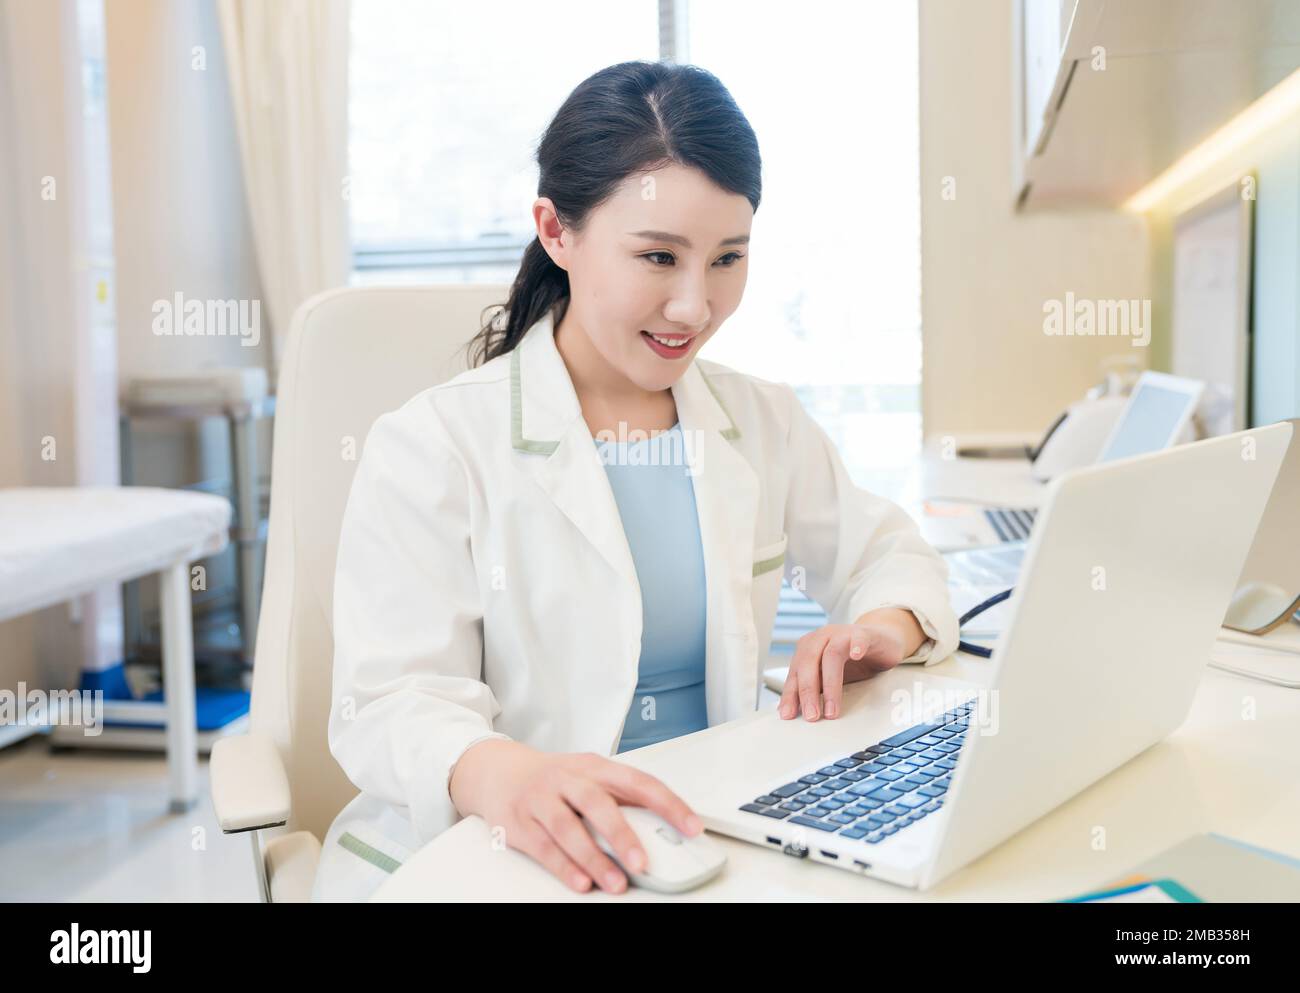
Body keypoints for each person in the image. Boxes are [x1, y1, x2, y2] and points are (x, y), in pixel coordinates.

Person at [311, 60, 958, 902]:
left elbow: (889, 552)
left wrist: (885, 625)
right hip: (497, 848)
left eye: (728, 258)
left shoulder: (759, 421)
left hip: (709, 835)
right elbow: (391, 701)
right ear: (556, 231)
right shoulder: (434, 444)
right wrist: (503, 774)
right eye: (658, 256)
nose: (696, 306)